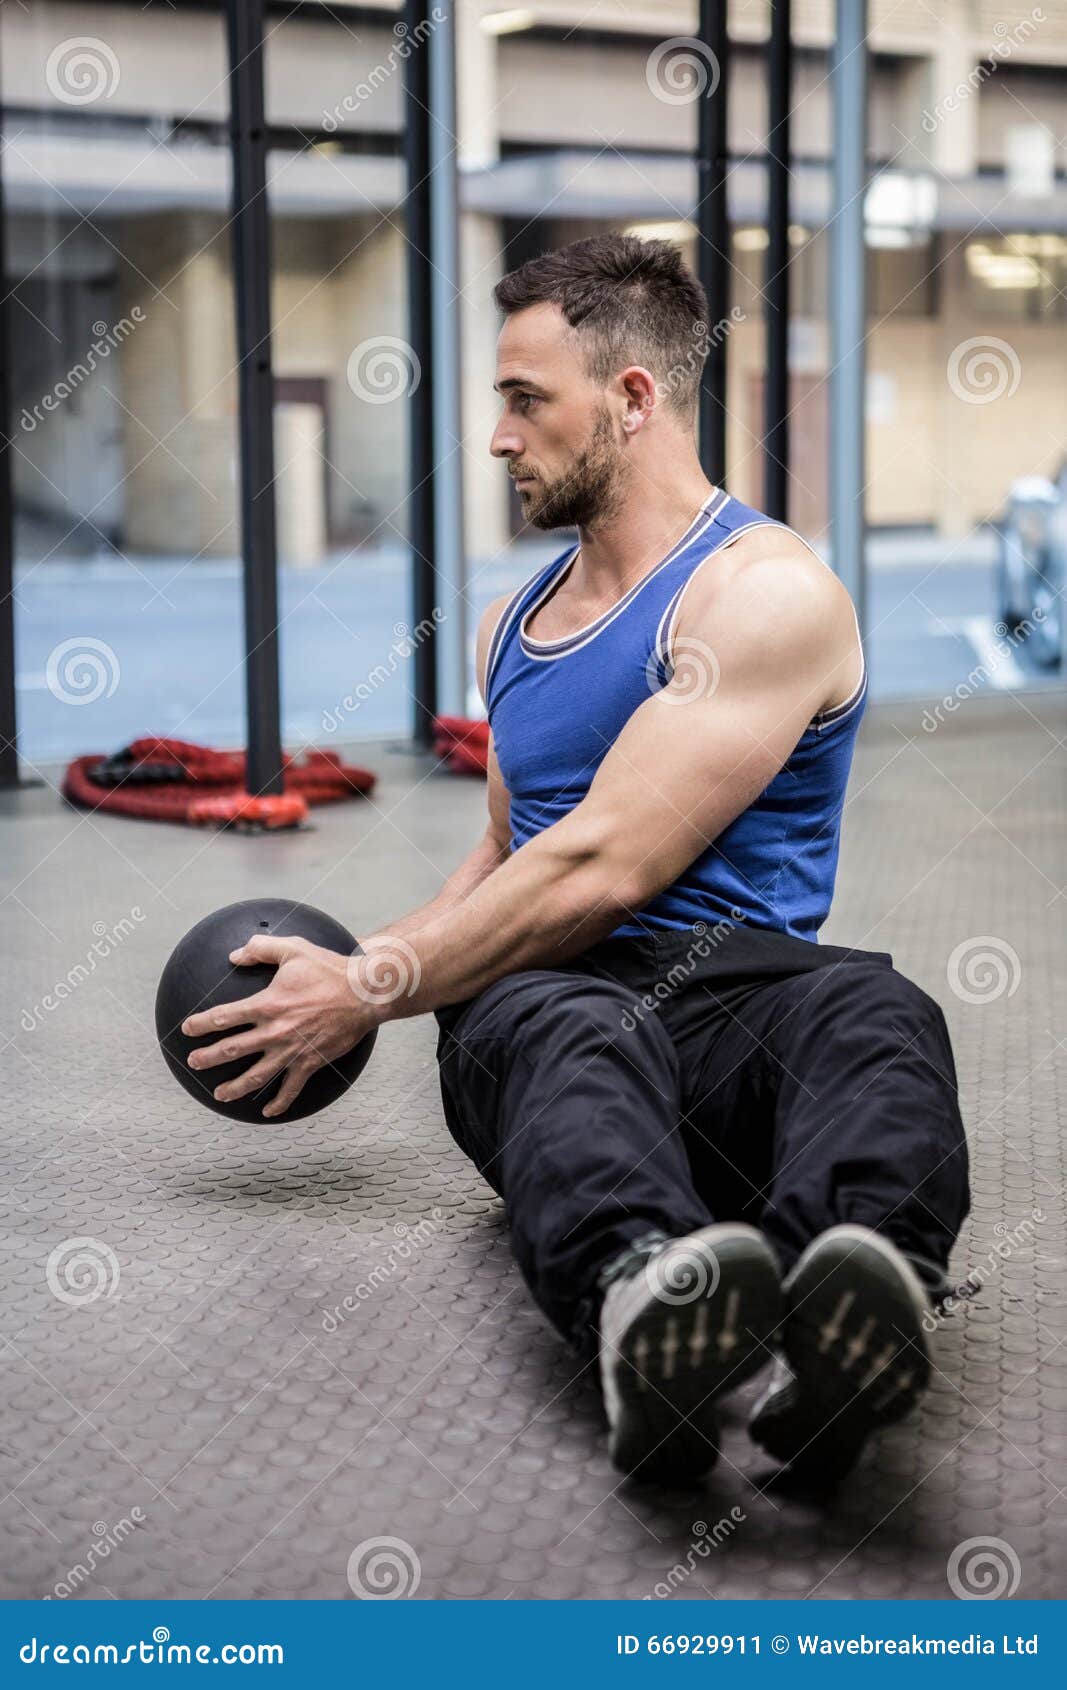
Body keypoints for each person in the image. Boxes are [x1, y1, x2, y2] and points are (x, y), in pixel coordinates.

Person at [181, 234, 970, 1487]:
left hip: (738, 1009)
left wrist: (374, 982)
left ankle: (856, 1295)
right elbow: (509, 853)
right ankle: (643, 1296)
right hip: (551, 1022)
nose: (498, 438)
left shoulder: (762, 593)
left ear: (632, 397)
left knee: (876, 1011)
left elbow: (605, 866)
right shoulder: (513, 625)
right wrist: (343, 974)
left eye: (523, 399)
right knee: (562, 1024)